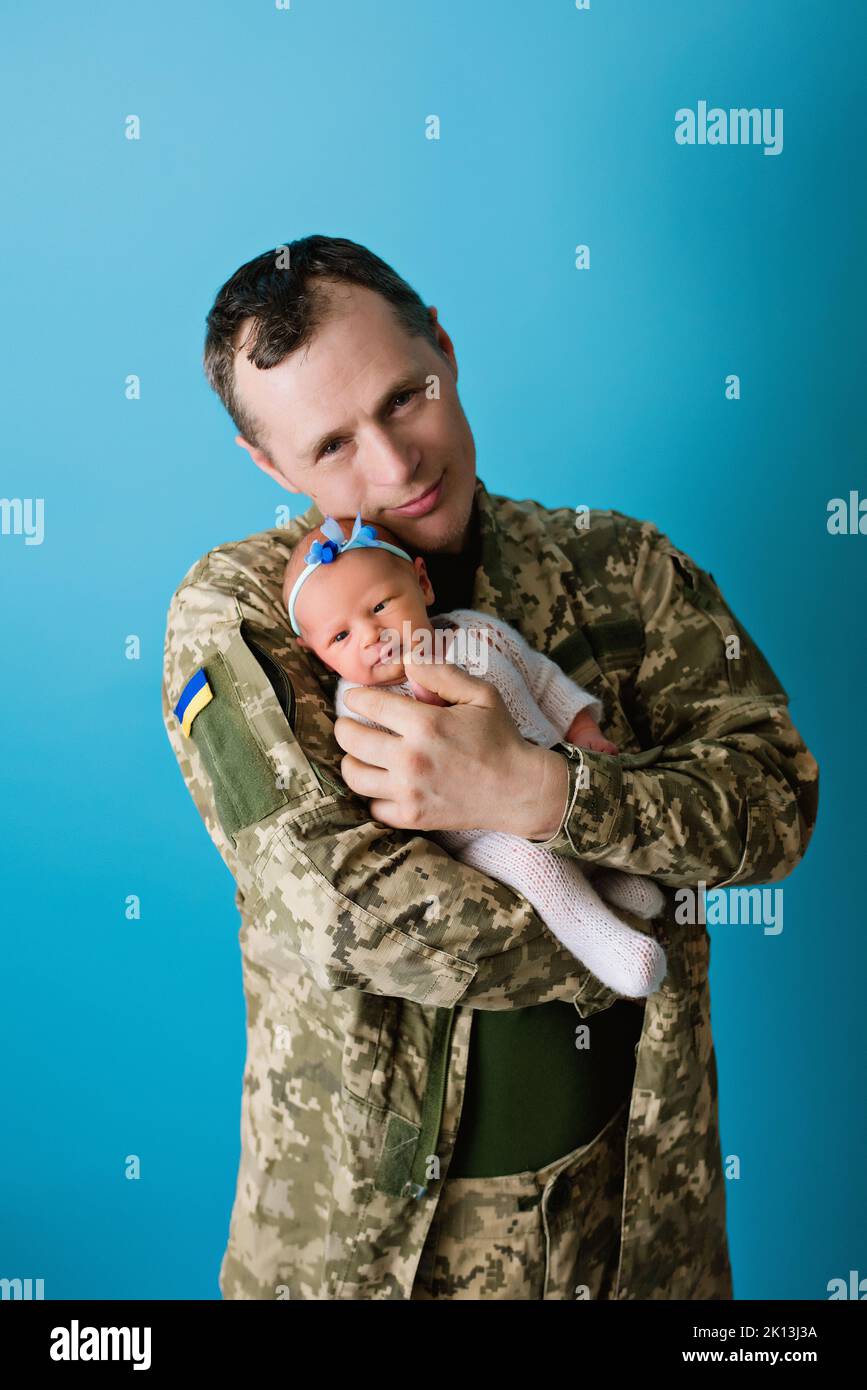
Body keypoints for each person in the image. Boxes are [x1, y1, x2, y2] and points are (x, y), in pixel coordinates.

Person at [160, 234, 819, 1299]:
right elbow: (351, 916)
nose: (395, 463)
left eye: (406, 396)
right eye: (330, 445)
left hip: (638, 1228)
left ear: (448, 354)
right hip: (366, 1255)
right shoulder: (243, 619)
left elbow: (776, 802)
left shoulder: (625, 571)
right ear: (270, 467)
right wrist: (637, 919)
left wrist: (542, 791)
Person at [282, 508, 669, 999]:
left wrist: (582, 726)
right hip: (476, 831)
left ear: (422, 584)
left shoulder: (475, 635)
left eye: (380, 605)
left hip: (555, 778)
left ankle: (607, 878)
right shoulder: (361, 707)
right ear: (316, 652)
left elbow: (543, 679)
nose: (371, 636)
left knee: (594, 805)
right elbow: (381, 781)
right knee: (536, 866)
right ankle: (608, 943)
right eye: (340, 636)